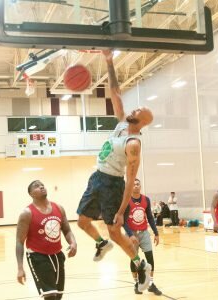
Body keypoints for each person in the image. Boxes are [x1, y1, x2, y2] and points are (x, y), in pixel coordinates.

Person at [76, 50, 153, 293]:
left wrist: (121, 211)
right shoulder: (121, 122)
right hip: (97, 176)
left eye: (138, 111)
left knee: (115, 230)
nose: (134, 110)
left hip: (112, 184)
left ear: (141, 121)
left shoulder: (133, 144)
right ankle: (101, 244)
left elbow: (130, 182)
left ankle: (140, 264)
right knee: (82, 221)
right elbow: (115, 91)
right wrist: (108, 60)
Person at [16, 180, 77, 300]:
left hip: (57, 256)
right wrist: (20, 268)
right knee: (50, 296)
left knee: (58, 296)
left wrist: (73, 242)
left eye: (42, 185)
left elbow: (67, 230)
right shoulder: (27, 213)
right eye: (36, 186)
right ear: (31, 194)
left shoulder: (59, 208)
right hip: (38, 257)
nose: (41, 186)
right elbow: (19, 242)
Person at [124, 179, 162, 296]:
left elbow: (150, 217)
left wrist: (156, 233)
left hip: (144, 232)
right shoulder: (126, 200)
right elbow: (123, 221)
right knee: (134, 259)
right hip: (131, 233)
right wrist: (130, 235)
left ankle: (151, 284)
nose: (135, 186)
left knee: (150, 257)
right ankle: (136, 283)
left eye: (137, 184)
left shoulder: (146, 200)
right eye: (133, 184)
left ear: (140, 186)